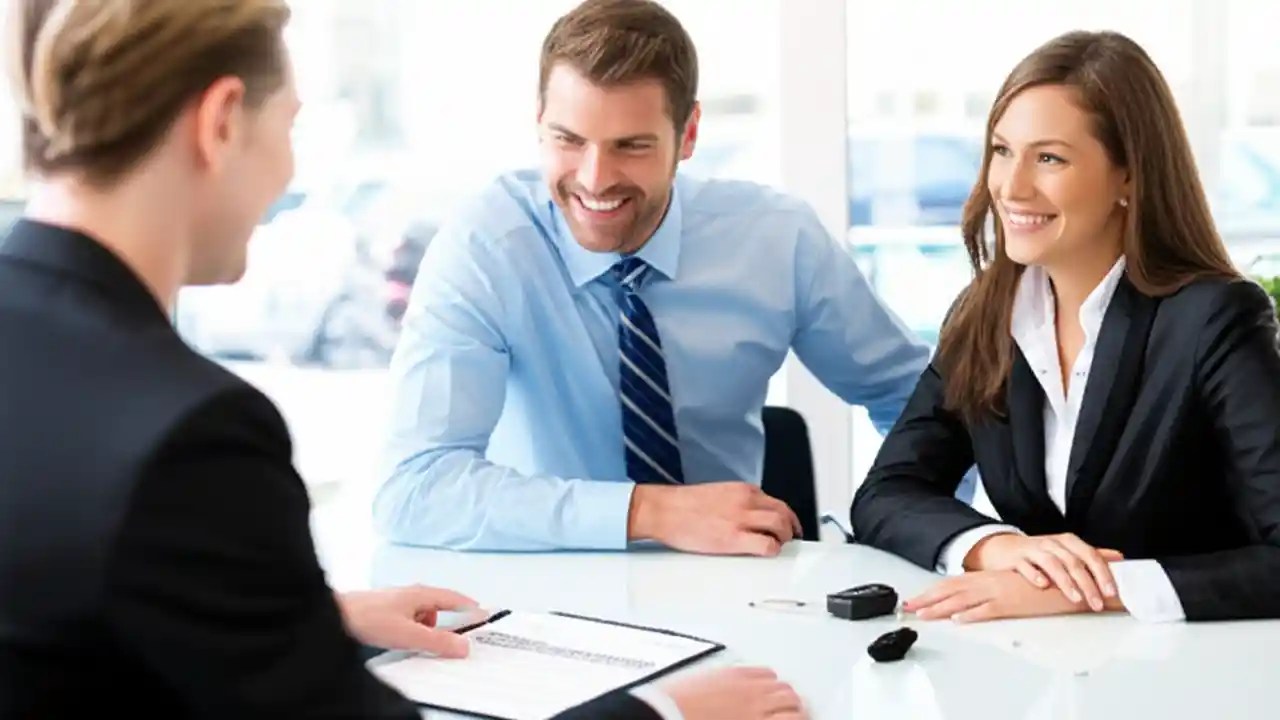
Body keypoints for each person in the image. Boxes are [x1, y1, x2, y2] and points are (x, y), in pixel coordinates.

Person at [0, 1, 806, 718]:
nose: (289, 173)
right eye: (289, 127)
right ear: (220, 122)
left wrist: (316, 618)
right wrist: (661, 713)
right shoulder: (194, 436)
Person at [374, 0, 929, 555]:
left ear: (687, 135)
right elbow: (415, 488)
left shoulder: (775, 239)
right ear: (539, 122)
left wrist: (925, 540)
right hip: (540, 596)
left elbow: (915, 400)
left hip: (733, 588)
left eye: (631, 146)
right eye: (568, 139)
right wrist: (648, 511)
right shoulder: (486, 247)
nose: (595, 180)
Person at [849, 29, 1280, 623]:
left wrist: (1092, 589)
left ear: (1129, 175)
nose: (1011, 186)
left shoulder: (1215, 319)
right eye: (1002, 151)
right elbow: (886, 493)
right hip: (1045, 670)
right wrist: (1002, 550)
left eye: (1049, 157)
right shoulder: (989, 313)